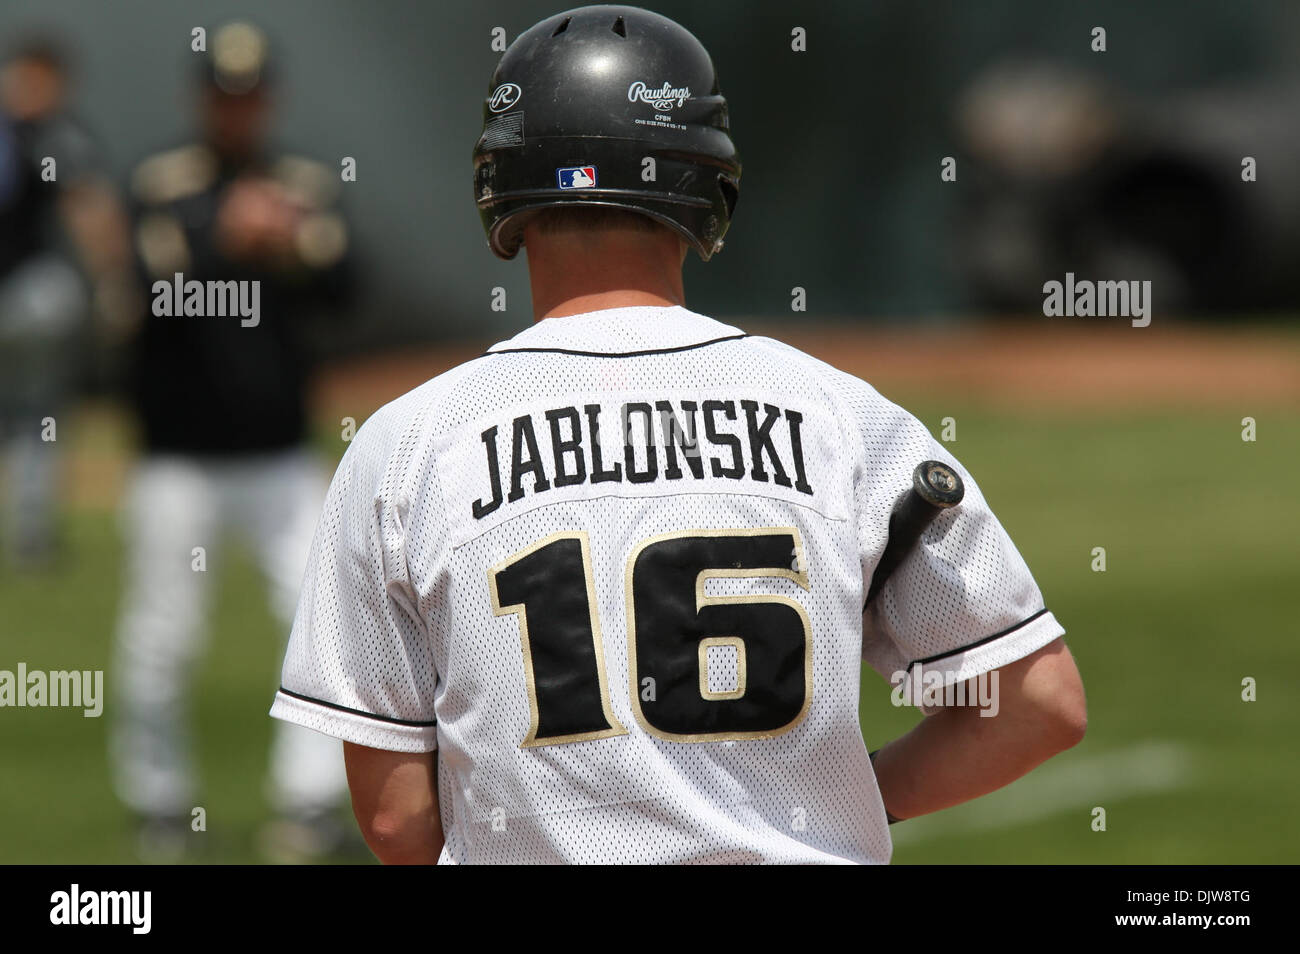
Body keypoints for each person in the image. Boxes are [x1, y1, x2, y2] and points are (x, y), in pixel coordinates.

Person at [272, 4, 1085, 864]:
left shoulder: (403, 446)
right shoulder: (843, 416)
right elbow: (1039, 704)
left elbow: (397, 822)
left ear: (499, 182)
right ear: (706, 185)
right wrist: (824, 812)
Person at [110, 21, 353, 861]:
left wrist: (293, 245)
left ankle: (311, 801)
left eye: (251, 96)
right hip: (178, 456)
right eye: (224, 95)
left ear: (269, 100)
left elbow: (349, 286)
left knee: (322, 627)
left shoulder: (304, 184)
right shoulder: (161, 184)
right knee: (162, 632)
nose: (238, 111)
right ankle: (159, 800)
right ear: (201, 99)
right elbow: (152, 301)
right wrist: (230, 244)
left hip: (281, 451)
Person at [0, 35, 135, 568]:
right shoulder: (55, 133)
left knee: (35, 413)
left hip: (29, 302)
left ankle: (31, 533)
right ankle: (31, 539)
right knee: (36, 414)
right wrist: (115, 285)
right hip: (33, 297)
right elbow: (91, 207)